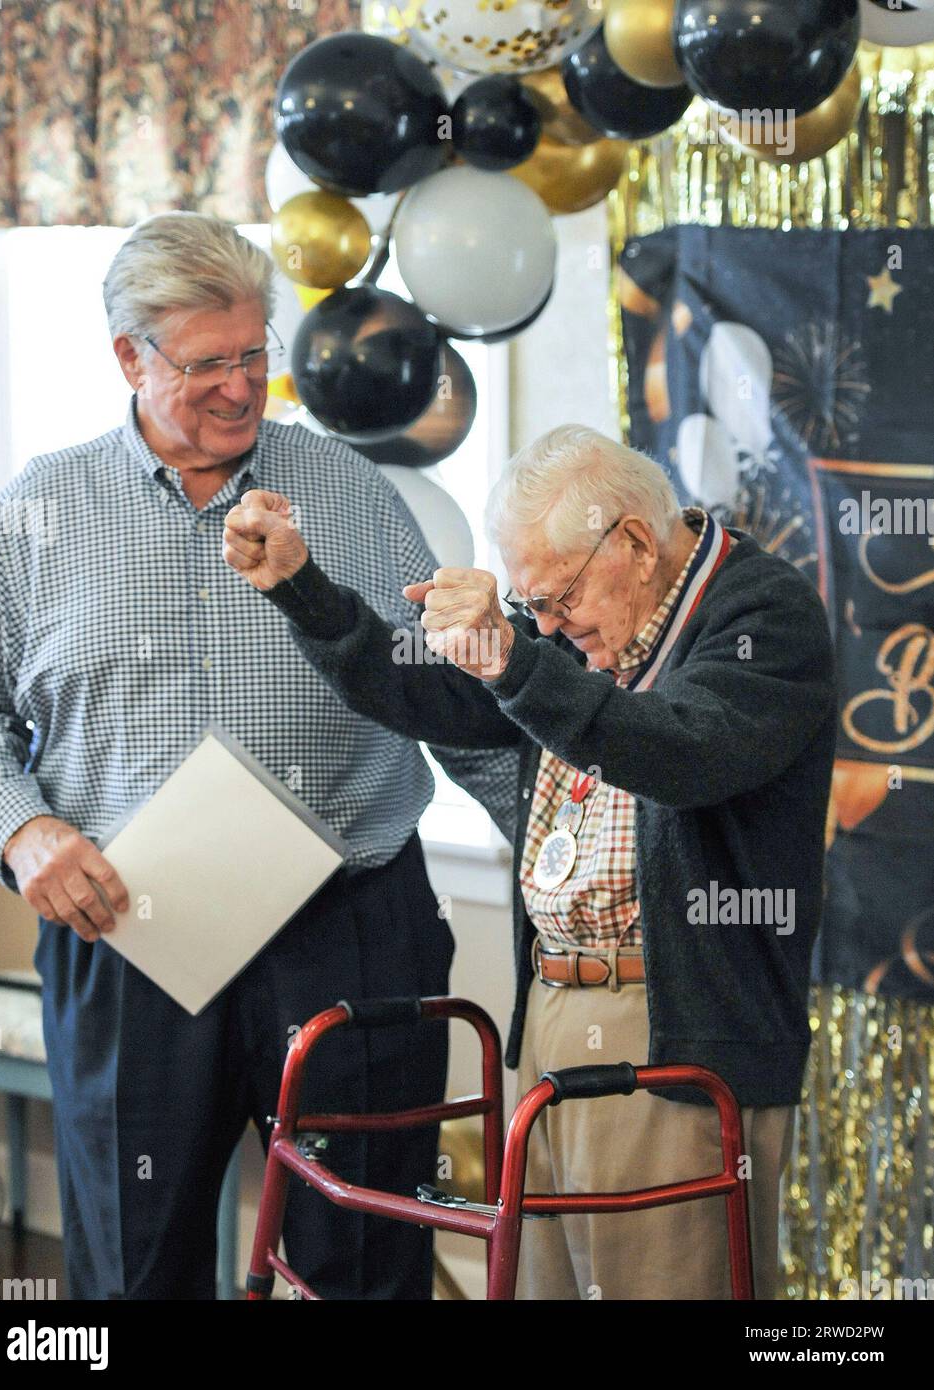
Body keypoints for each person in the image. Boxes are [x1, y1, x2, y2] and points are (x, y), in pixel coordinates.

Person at [0, 211, 516, 1300]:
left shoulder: (354, 491)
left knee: (360, 1267)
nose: (239, 385)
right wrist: (24, 832)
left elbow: (444, 697)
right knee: (131, 1264)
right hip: (131, 933)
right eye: (207, 362)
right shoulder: (38, 510)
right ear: (130, 356)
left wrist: (558, 862)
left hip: (352, 932)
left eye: (254, 354)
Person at [223, 424, 838, 1300]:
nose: (546, 625)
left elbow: (680, 751)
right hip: (550, 1009)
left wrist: (513, 658)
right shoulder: (575, 626)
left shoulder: (761, 616)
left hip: (677, 1026)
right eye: (528, 606)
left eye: (555, 599)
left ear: (629, 540)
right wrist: (302, 589)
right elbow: (427, 690)